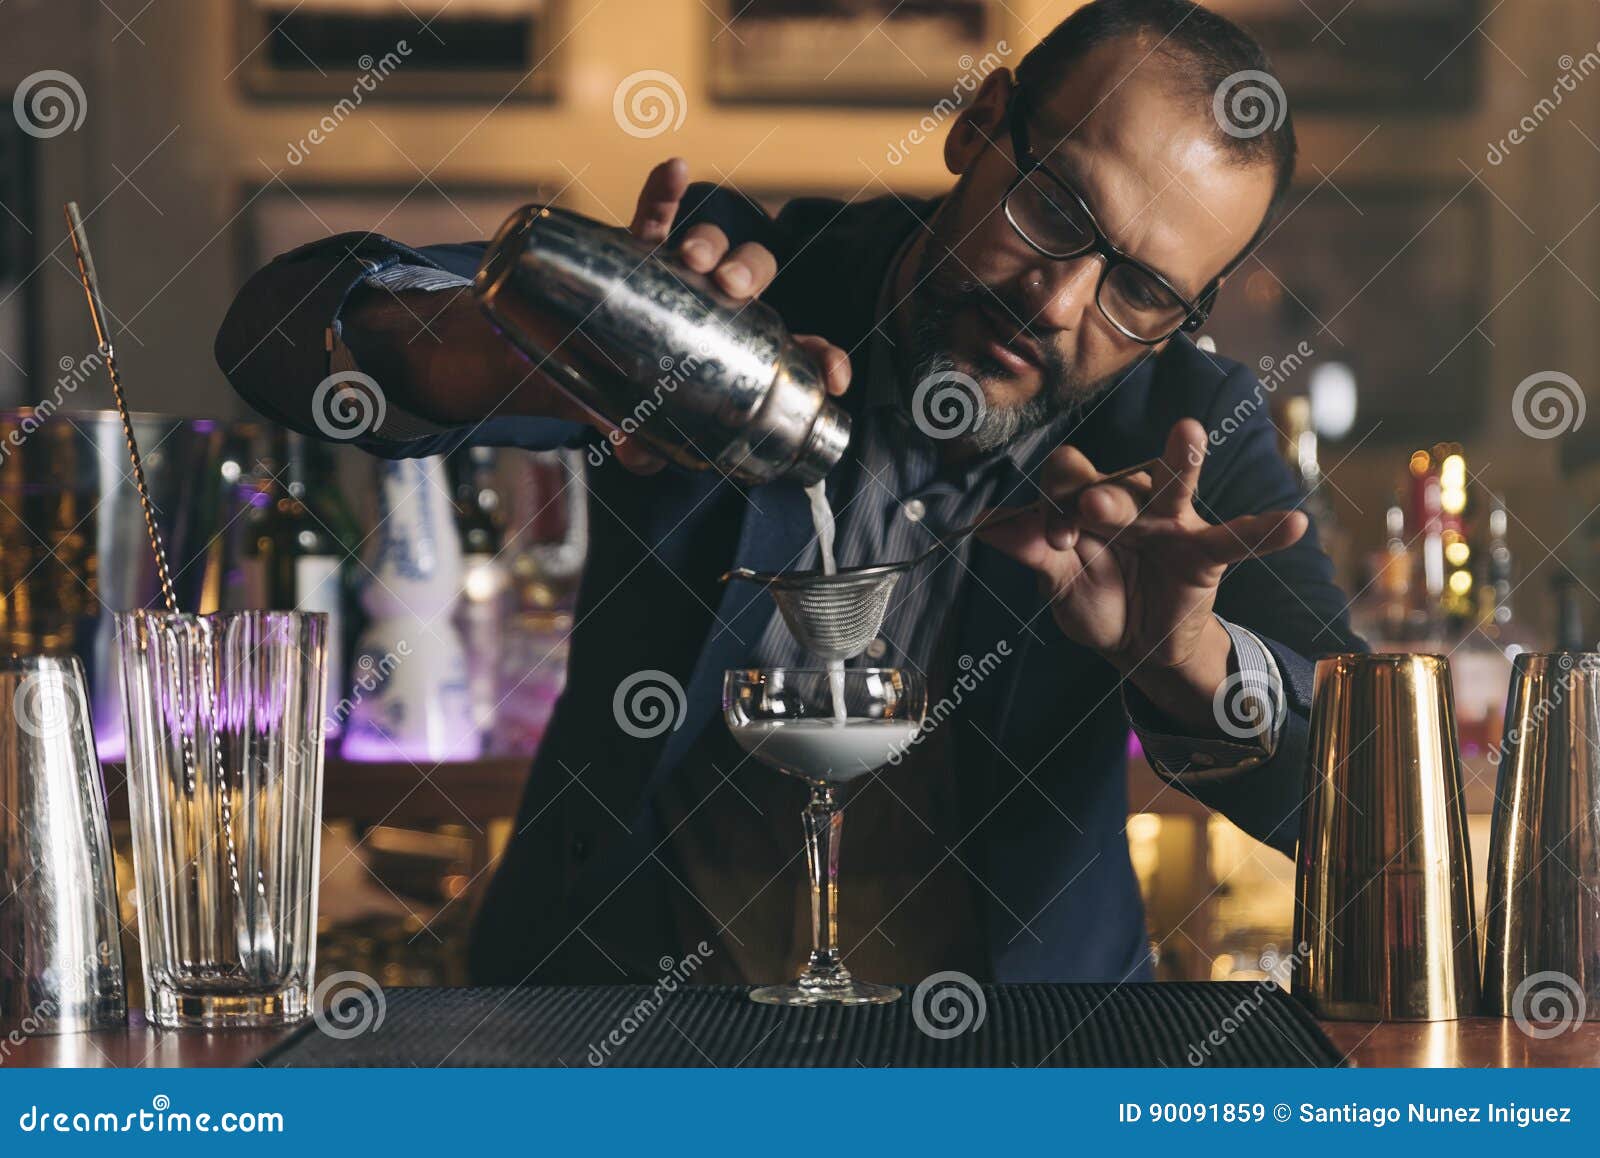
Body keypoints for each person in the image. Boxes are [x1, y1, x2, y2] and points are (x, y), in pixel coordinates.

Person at [216, 0, 1363, 987]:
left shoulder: (1178, 436)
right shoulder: (744, 287)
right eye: (1056, 210)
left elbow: (1357, 820)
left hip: (1014, 1065)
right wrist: (514, 355)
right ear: (979, 125)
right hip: (615, 1034)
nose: (1062, 303)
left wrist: (1188, 665)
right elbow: (271, 332)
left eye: (1146, 290)